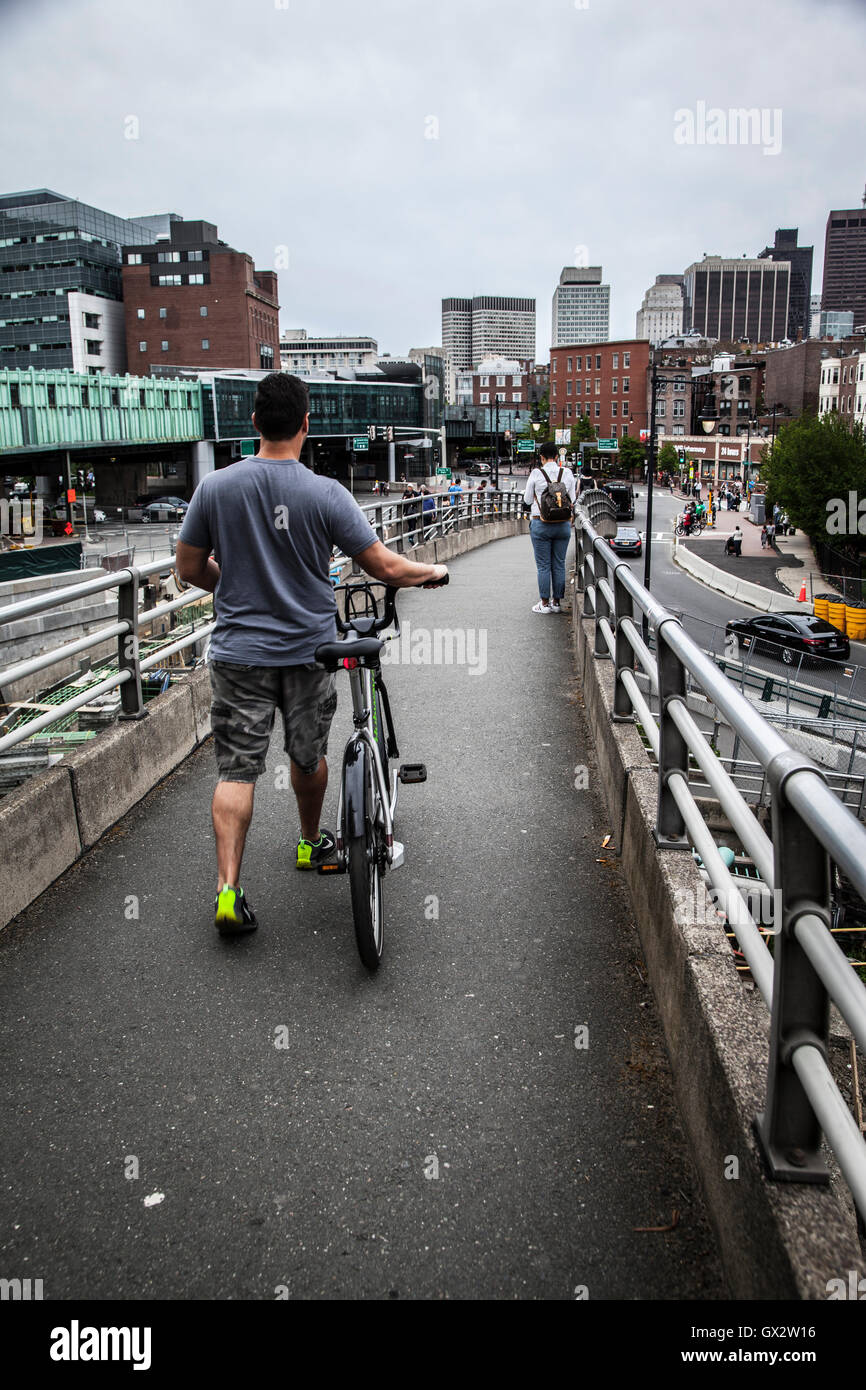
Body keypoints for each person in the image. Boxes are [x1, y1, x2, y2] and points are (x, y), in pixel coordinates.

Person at [175, 372, 448, 936]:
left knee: (235, 771)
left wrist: (233, 585)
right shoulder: (325, 493)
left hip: (238, 655)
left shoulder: (215, 489)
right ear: (306, 424)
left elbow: (189, 569)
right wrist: (435, 571)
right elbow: (385, 567)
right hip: (309, 652)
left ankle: (228, 892)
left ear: (254, 423)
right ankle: (308, 842)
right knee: (307, 757)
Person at [523, 442, 576, 613]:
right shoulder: (567, 473)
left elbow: (528, 500)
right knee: (559, 564)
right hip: (563, 525)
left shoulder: (537, 473)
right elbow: (573, 500)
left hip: (541, 523)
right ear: (557, 456)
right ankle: (557, 603)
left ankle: (544, 604)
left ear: (542, 457)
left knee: (544, 566)